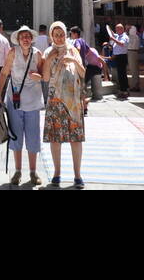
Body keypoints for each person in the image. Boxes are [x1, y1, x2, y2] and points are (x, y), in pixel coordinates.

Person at [0, 25, 44, 187]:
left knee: (33, 136)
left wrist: (36, 76)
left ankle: (33, 171)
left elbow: (44, 76)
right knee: (15, 136)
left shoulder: (38, 54)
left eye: (28, 36)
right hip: (14, 99)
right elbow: (4, 73)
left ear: (31, 39)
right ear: (18, 39)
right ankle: (17, 171)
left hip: (33, 100)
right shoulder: (12, 52)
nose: (25, 39)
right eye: (22, 36)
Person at [42, 21, 86, 187]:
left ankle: (77, 175)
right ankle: (57, 173)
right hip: (55, 99)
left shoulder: (73, 49)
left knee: (76, 139)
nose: (59, 37)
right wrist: (50, 59)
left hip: (73, 101)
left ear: (66, 34)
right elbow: (45, 78)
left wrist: (73, 61)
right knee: (55, 139)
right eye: (56, 34)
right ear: (51, 36)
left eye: (62, 34)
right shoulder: (48, 51)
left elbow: (82, 72)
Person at [108, 23, 130, 99]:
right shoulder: (118, 36)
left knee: (122, 74)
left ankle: (124, 91)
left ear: (122, 29)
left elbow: (122, 44)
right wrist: (109, 30)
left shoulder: (124, 36)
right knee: (120, 74)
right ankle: (123, 89)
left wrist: (113, 39)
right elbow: (114, 35)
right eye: (116, 29)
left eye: (118, 29)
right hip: (118, 57)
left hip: (122, 57)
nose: (116, 30)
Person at [127, 23, 143, 91]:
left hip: (131, 52)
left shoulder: (131, 36)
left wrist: (127, 29)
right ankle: (136, 85)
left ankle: (134, 86)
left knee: (133, 70)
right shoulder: (136, 36)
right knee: (135, 70)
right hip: (135, 52)